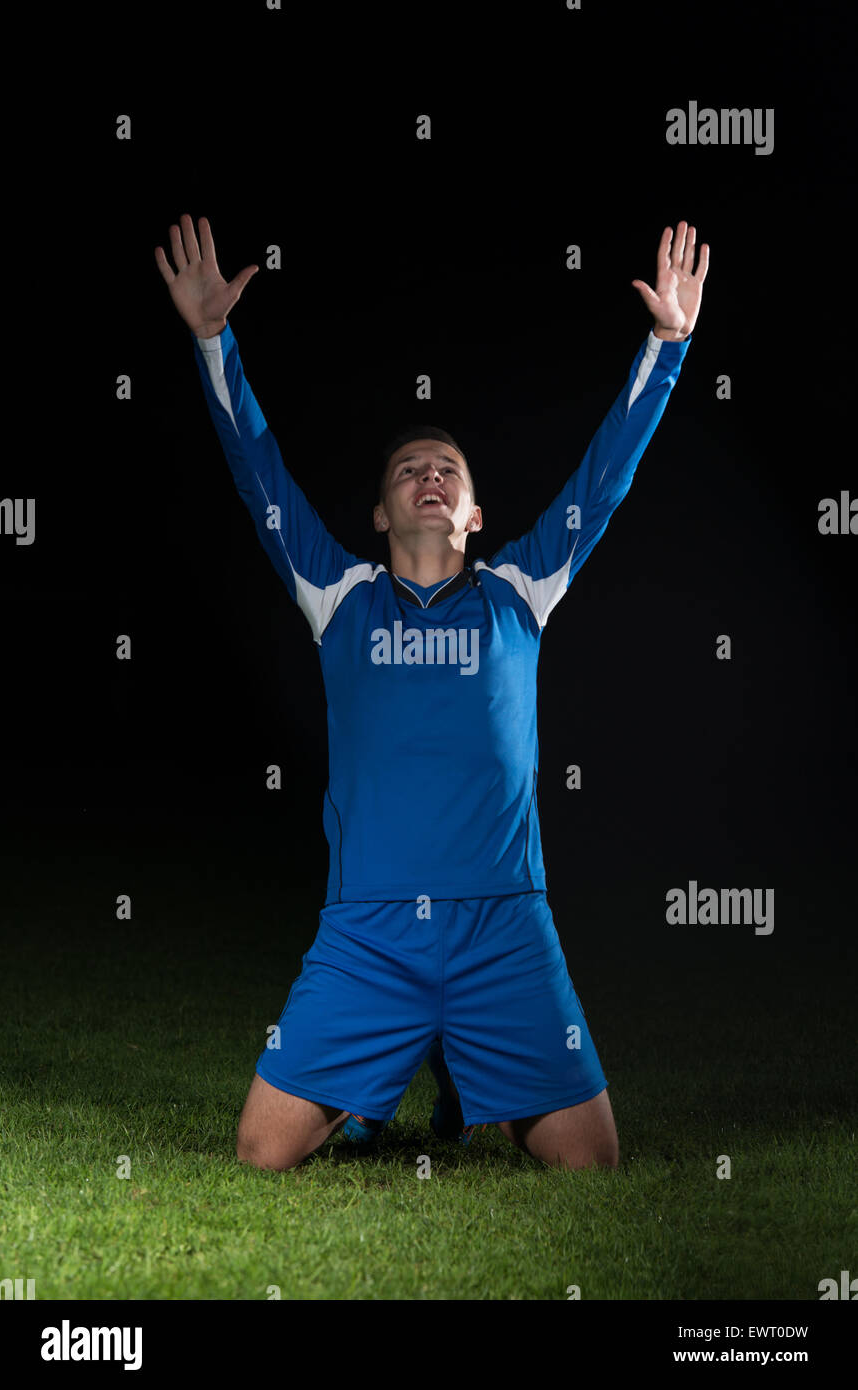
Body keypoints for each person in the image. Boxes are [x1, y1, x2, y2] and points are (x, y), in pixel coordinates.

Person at [155, 214, 709, 1170]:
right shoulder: (337, 596)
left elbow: (606, 473)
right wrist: (213, 337)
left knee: (594, 1167)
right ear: (377, 511)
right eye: (408, 470)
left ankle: (456, 1064)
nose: (426, 477)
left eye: (446, 471)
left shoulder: (520, 591)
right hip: (368, 929)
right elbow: (258, 469)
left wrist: (667, 345)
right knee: (259, 1156)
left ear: (474, 512)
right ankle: (387, 1083)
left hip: (504, 923)